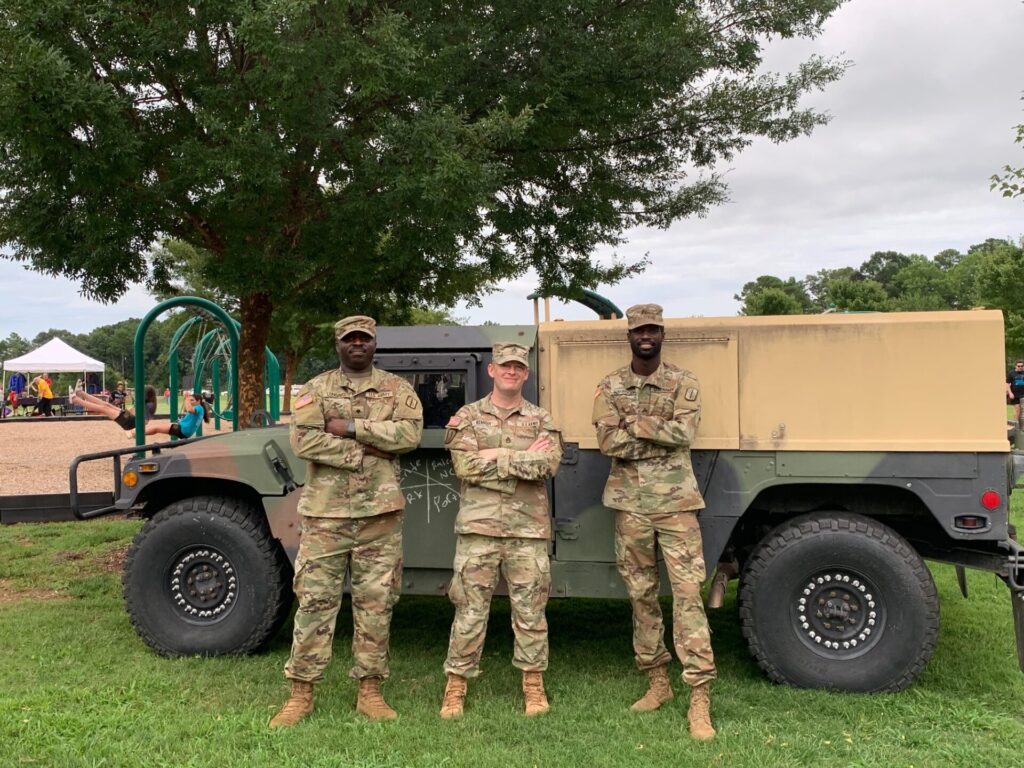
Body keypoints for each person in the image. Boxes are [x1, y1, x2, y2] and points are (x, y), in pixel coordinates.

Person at [270, 315, 423, 729]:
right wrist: (363, 453)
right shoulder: (315, 389)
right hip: (326, 516)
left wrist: (352, 427)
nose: (357, 345)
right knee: (315, 602)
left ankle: (370, 690)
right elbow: (304, 440)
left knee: (376, 603)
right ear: (338, 344)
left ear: (375, 344)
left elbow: (409, 436)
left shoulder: (398, 389)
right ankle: (301, 692)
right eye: (349, 339)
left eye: (365, 339)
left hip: (380, 516)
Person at [591, 303, 717, 741]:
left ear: (662, 335)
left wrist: (636, 424)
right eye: (639, 330)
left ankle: (699, 694)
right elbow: (608, 441)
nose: (646, 336)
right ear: (628, 336)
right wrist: (656, 432)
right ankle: (657, 681)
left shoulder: (684, 382)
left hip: (676, 506)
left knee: (687, 597)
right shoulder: (610, 385)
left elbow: (684, 434)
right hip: (630, 507)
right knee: (641, 595)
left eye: (653, 330)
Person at [438, 343, 563, 719]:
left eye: (518, 368)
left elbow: (549, 465)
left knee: (531, 611)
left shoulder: (541, 419)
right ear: (491, 370)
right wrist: (523, 459)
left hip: (527, 532)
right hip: (479, 529)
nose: (511, 372)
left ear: (525, 374)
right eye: (505, 366)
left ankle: (533, 685)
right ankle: (456, 685)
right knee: (469, 610)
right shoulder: (468, 417)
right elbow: (465, 467)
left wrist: (496, 455)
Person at [71, 388, 207, 439]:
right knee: (106, 406)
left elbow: (189, 409)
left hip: (131, 422)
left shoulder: (148, 405)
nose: (192, 401)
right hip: (131, 419)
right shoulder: (148, 404)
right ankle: (81, 393)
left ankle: (76, 400)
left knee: (105, 409)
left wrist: (186, 397)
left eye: (194, 400)